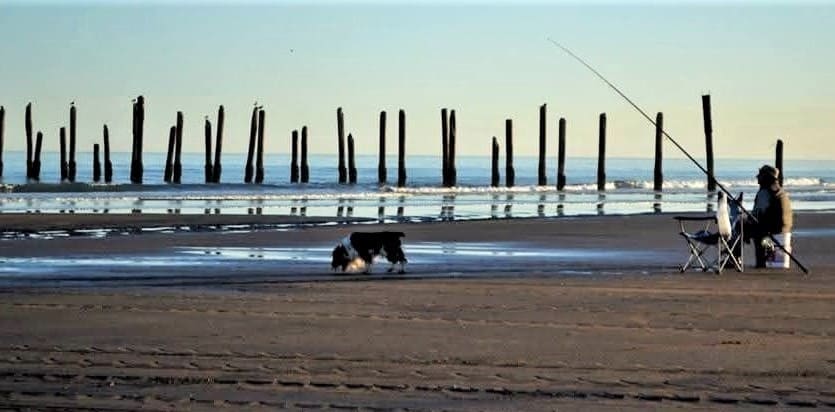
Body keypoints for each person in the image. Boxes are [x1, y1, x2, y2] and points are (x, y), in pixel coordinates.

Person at [746, 165, 793, 268]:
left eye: (760, 174)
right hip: (784, 229)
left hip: (770, 231)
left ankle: (735, 259)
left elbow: (757, 214)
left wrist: (747, 221)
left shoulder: (765, 192)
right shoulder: (780, 191)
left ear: (765, 177)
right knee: (753, 228)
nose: (757, 176)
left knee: (739, 227)